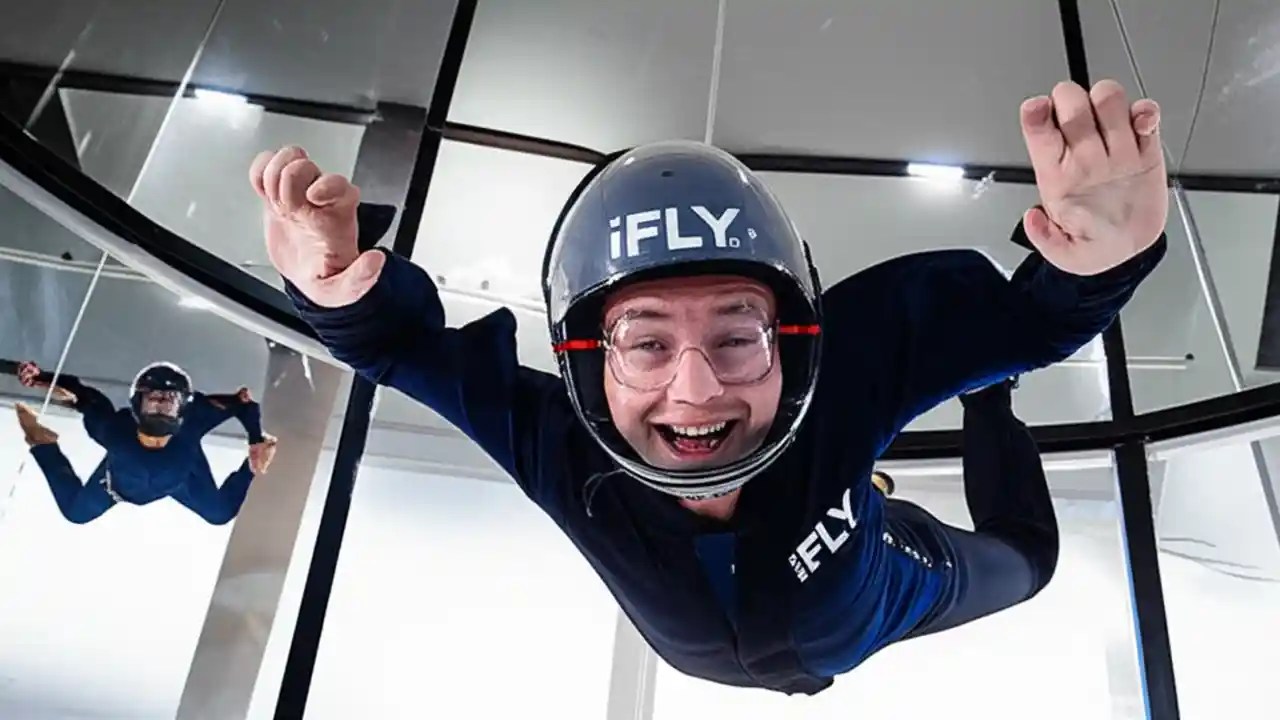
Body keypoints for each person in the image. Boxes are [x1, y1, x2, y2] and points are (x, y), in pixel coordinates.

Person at [251, 78, 1168, 694]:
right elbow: (403, 350)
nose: (696, 391)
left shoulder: (840, 371)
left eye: (738, 335)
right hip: (815, 603)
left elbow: (1035, 321)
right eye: (645, 344)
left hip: (883, 583)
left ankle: (982, 401)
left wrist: (1099, 260)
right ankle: (952, 415)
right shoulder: (561, 441)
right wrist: (340, 290)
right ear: (588, 365)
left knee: (1027, 561)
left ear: (800, 344)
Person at [12, 360, 279, 525]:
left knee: (219, 514)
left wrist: (255, 443)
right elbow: (81, 395)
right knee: (75, 512)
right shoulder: (115, 430)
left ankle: (43, 444)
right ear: (138, 403)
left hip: (177, 476)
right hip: (124, 482)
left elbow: (243, 405)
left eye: (168, 400)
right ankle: (43, 442)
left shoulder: (194, 418)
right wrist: (41, 378)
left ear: (182, 406)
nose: (161, 404)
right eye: (154, 399)